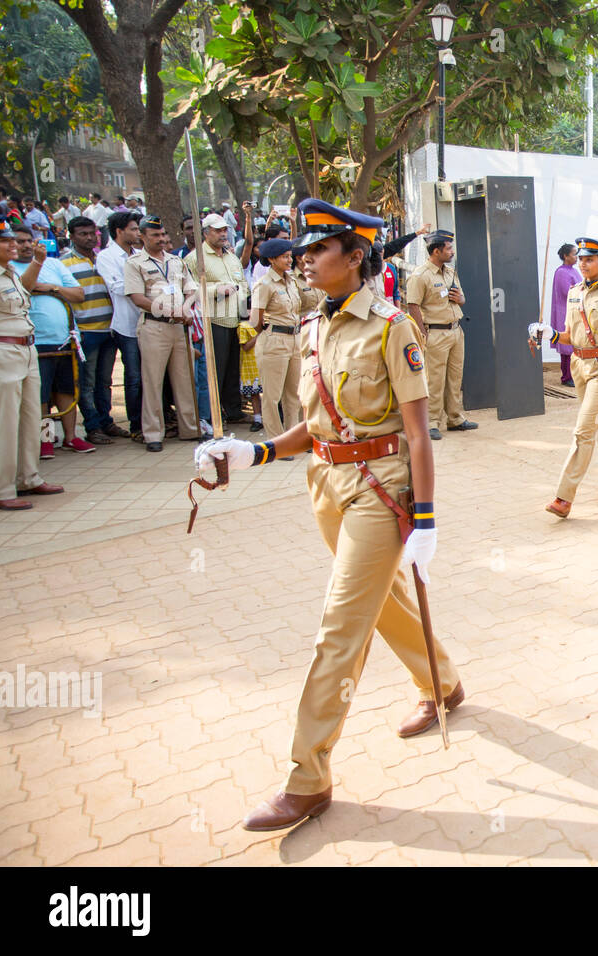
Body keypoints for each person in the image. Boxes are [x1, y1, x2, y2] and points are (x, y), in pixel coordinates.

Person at [195, 198, 462, 831]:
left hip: (382, 489)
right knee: (383, 599)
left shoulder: (393, 326)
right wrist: (254, 450)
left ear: (356, 255)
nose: (305, 259)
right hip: (326, 484)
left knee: (339, 628)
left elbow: (420, 433)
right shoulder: (313, 329)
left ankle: (307, 776)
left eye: (319, 249)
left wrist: (425, 518)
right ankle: (443, 683)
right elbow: (315, 429)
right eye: (304, 250)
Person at [529, 237, 598, 517]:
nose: (584, 264)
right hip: (579, 367)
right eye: (582, 259)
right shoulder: (575, 292)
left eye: (590, 259)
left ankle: (564, 498)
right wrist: (547, 333)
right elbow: (569, 336)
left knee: (583, 431)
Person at [0, 224, 64, 510]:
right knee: (6, 422)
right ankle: (4, 488)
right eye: (6, 241)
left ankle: (29, 476)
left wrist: (37, 262)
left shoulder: (10, 272)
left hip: (26, 347)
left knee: (30, 417)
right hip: (4, 348)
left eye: (14, 240)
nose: (13, 245)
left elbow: (24, 290)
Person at [123, 216, 201, 452]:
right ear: (143, 237)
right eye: (155, 235)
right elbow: (138, 298)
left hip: (179, 327)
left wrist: (185, 309)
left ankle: (190, 429)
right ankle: (153, 433)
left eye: (163, 234)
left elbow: (191, 289)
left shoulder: (176, 261)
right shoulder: (135, 262)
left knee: (184, 379)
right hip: (154, 326)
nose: (161, 239)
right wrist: (171, 311)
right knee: (153, 381)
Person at [12, 224, 89, 456]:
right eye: (19, 241)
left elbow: (78, 294)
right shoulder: (8, 268)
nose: (26, 245)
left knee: (68, 390)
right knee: (40, 395)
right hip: (34, 341)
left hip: (66, 339)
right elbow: (25, 290)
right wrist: (38, 276)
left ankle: (71, 437)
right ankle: (45, 439)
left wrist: (50, 288)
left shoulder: (54, 264)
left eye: (29, 240)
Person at [405, 229, 476, 440]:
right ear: (436, 251)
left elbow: (461, 299)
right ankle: (431, 422)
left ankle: (455, 418)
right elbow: (413, 305)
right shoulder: (420, 276)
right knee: (434, 379)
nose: (452, 252)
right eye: (448, 248)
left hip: (455, 330)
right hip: (435, 332)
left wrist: (460, 298)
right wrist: (421, 334)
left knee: (455, 377)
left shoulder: (450, 272)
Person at [60, 216, 120, 444]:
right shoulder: (64, 263)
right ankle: (92, 426)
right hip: (85, 330)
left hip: (109, 328)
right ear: (72, 236)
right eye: (82, 234)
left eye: (91, 233)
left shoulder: (105, 259)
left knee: (105, 381)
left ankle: (106, 421)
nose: (88, 238)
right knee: (87, 382)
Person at [187, 212, 250, 424]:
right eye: (218, 230)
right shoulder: (196, 258)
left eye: (225, 230)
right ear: (206, 233)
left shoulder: (231, 256)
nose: (223, 234)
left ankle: (233, 409)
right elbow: (190, 288)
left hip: (237, 317)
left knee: (234, 368)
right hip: (213, 320)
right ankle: (214, 412)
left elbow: (242, 282)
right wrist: (216, 289)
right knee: (216, 369)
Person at [246, 237, 304, 443]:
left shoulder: (292, 281)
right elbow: (255, 320)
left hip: (294, 339)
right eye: (285, 257)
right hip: (274, 340)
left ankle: (293, 437)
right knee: (272, 396)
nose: (290, 260)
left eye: (290, 256)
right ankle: (276, 441)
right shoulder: (264, 285)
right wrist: (268, 330)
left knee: (294, 394)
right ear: (271, 259)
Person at [97, 210, 145, 440]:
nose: (138, 233)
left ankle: (151, 420)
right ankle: (136, 425)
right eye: (134, 229)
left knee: (149, 376)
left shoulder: (139, 254)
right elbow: (117, 287)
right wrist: (142, 288)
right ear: (119, 231)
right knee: (134, 377)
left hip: (149, 322)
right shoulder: (107, 257)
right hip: (126, 325)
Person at [550, 243, 580, 387]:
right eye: (574, 254)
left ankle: (574, 375)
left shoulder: (574, 271)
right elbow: (567, 292)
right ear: (565, 256)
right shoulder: (562, 272)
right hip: (565, 313)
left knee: (575, 345)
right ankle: (566, 376)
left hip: (576, 312)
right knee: (567, 347)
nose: (577, 257)